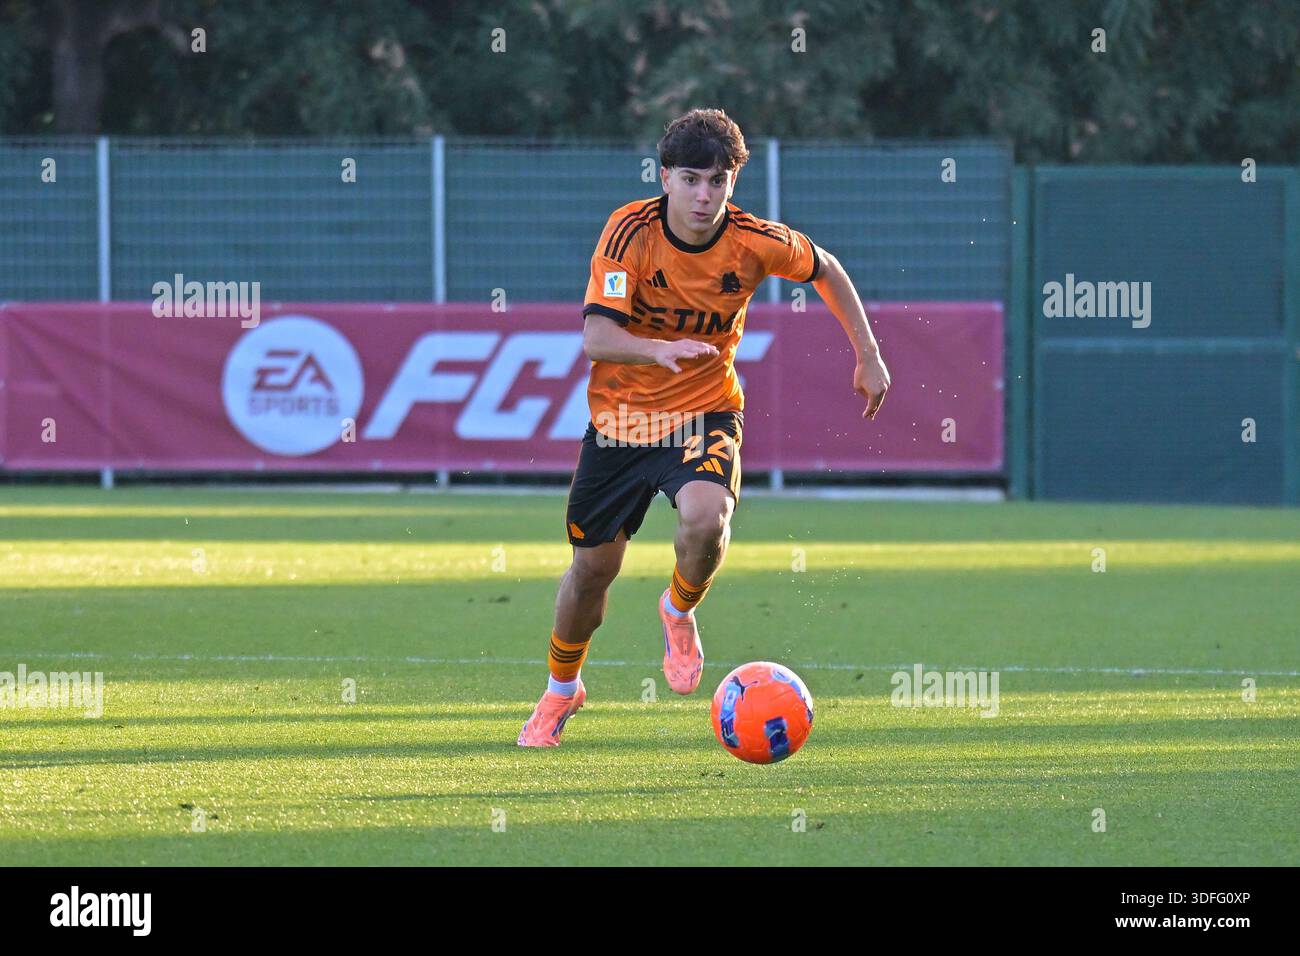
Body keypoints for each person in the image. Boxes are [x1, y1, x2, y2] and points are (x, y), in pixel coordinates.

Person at [518, 107, 889, 747]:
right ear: (665, 177)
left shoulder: (751, 239)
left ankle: (679, 608)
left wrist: (869, 352)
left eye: (719, 181)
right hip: (622, 421)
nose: (704, 195)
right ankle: (562, 690)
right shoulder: (627, 232)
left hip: (706, 410)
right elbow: (597, 336)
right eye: (691, 178)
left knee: (706, 516)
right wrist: (654, 351)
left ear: (733, 182)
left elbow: (825, 267)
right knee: (591, 574)